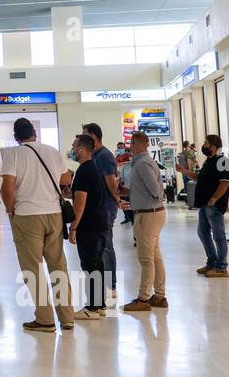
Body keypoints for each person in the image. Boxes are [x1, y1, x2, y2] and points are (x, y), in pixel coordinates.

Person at [0, 117, 74, 333]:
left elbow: (7, 188)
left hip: (27, 215)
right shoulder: (51, 151)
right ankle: (67, 317)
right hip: (54, 214)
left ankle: (45, 318)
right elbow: (66, 179)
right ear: (34, 132)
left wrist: (11, 209)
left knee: (33, 268)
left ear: (16, 137)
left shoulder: (13, 154)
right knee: (58, 265)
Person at [122, 131, 168, 311]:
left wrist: (152, 199)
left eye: (132, 143)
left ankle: (143, 299)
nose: (130, 147)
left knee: (146, 259)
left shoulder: (142, 164)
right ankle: (159, 296)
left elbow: (155, 190)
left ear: (140, 144)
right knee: (155, 257)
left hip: (148, 214)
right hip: (151, 212)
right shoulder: (142, 163)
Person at [67, 134, 109, 319]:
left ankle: (91, 308)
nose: (72, 150)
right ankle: (99, 305)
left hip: (89, 226)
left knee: (90, 265)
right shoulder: (94, 169)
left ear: (81, 150)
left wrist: (73, 227)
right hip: (100, 223)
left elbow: (80, 203)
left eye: (74, 146)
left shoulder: (84, 171)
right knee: (97, 264)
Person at [82, 123, 120, 304]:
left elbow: (111, 181)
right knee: (100, 247)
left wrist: (117, 199)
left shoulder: (104, 156)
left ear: (94, 137)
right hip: (98, 207)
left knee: (106, 246)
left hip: (105, 207)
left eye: (85, 135)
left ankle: (111, 285)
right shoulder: (95, 156)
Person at [185, 135, 229, 277]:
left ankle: (222, 267)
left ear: (213, 146)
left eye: (206, 143)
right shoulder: (209, 161)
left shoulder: (223, 161)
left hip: (214, 205)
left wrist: (215, 198)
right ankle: (212, 262)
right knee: (203, 233)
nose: (203, 145)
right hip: (205, 204)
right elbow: (200, 178)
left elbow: (225, 182)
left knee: (218, 235)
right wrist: (185, 171)